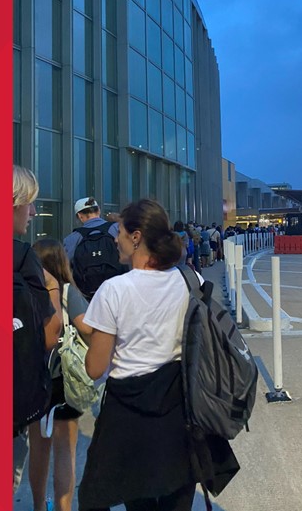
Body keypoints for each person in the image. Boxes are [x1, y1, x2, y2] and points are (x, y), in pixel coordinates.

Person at [75, 199, 239, 511]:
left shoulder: (113, 290)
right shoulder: (191, 281)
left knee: (135, 500)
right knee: (178, 498)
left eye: (120, 232)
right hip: (181, 408)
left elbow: (95, 368)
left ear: (136, 237)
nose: (115, 238)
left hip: (129, 414)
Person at [28, 239, 90, 511]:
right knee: (65, 449)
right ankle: (64, 508)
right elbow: (88, 329)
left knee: (38, 449)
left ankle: (39, 506)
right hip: (64, 381)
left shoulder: (26, 291)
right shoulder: (67, 292)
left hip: (33, 378)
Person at [14, 166, 62, 495]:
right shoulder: (21, 256)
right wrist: (54, 289)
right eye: (29, 203)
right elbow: (48, 336)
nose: (33, 211)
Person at [64, 197, 125, 299]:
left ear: (79, 216)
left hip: (87, 297)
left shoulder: (72, 239)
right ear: (99, 211)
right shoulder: (117, 228)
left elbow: (65, 267)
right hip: (118, 293)